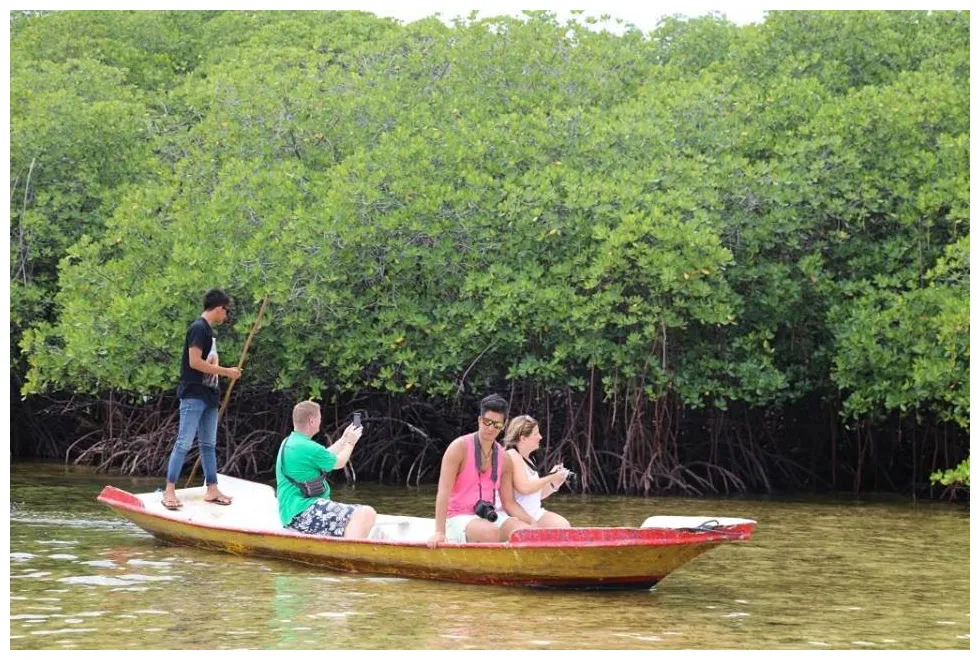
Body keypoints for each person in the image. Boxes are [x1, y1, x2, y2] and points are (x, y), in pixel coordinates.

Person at [161, 289, 241, 510]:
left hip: (209, 395)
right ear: (218, 309)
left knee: (208, 445)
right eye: (226, 312)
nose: (225, 317)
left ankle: (212, 489)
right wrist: (227, 371)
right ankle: (169, 490)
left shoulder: (208, 332)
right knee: (184, 443)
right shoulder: (198, 328)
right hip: (194, 395)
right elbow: (194, 362)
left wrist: (222, 372)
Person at [426, 394, 535, 547]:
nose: (491, 428)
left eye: (497, 425)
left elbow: (509, 503)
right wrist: (439, 532)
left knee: (525, 532)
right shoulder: (459, 448)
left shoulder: (505, 458)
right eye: (487, 422)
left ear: (504, 425)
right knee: (489, 532)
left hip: (490, 516)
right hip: (458, 516)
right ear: (479, 420)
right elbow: (443, 492)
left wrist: (532, 523)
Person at [276, 400, 377, 539]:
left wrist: (343, 440)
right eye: (319, 418)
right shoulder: (308, 447)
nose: (320, 421)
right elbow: (339, 462)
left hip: (290, 514)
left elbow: (325, 456)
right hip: (302, 512)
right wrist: (350, 442)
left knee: (360, 514)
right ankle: (351, 555)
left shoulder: (288, 442)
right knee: (366, 513)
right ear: (312, 420)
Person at [502, 415, 571, 528]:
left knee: (563, 526)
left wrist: (554, 484)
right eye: (536, 434)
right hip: (518, 516)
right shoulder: (512, 455)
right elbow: (525, 488)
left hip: (535, 513)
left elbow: (535, 495)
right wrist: (550, 477)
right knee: (561, 527)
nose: (540, 437)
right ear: (523, 438)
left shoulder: (529, 459)